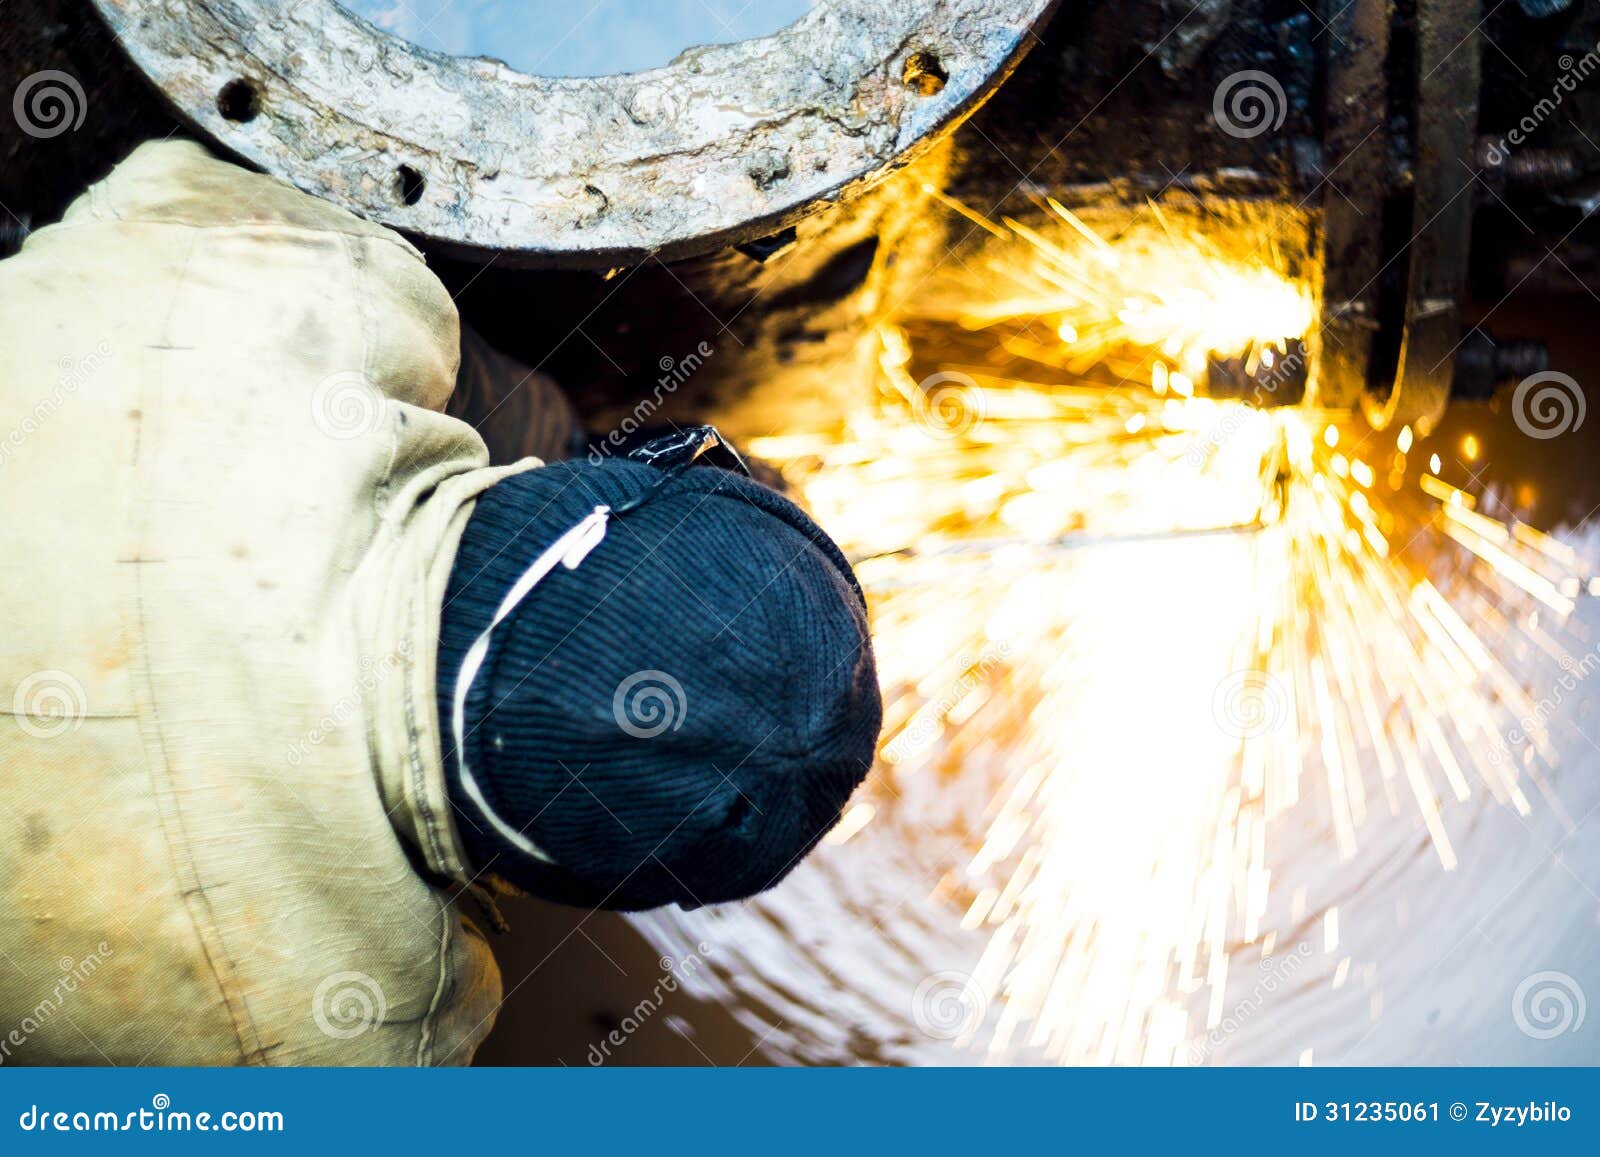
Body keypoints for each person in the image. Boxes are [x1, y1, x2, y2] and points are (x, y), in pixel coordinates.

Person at [0, 140, 881, 1066]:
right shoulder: (354, 1040)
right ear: (569, 878)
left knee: (525, 408)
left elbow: (156, 188)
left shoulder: (318, 287)